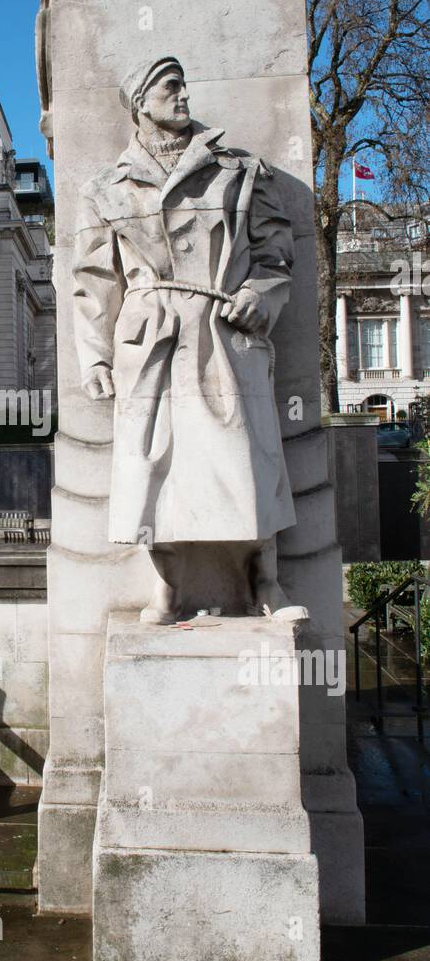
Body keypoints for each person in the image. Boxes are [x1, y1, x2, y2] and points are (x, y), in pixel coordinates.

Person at [73, 54, 297, 622]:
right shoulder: (106, 188)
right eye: (170, 86)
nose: (183, 95)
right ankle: (166, 586)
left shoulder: (240, 170)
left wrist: (261, 296)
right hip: (151, 338)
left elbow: (275, 255)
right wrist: (95, 357)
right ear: (140, 101)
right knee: (153, 466)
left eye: (183, 85)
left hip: (222, 328)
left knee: (248, 455)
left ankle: (265, 580)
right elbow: (96, 281)